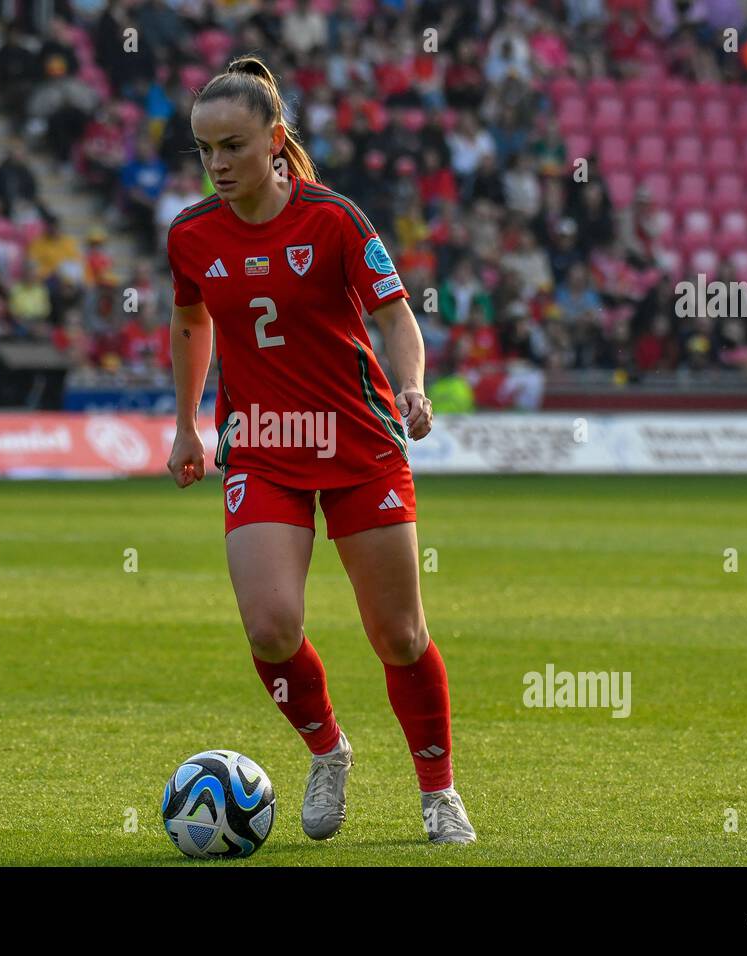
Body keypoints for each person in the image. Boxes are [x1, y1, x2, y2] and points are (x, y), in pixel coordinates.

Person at [164, 56, 475, 846]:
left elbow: (396, 317)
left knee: (399, 636)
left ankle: (438, 791)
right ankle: (328, 749)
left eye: (233, 145)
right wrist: (186, 424)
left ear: (275, 141)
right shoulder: (191, 235)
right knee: (270, 626)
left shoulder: (335, 219)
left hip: (358, 440)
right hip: (263, 446)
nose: (219, 164)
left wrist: (411, 387)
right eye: (206, 150)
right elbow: (192, 322)